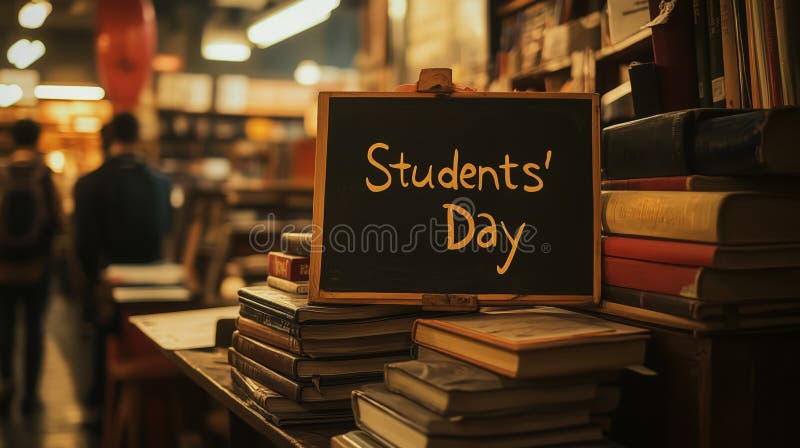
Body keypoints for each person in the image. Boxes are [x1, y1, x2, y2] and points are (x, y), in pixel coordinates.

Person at [73, 112, 172, 407]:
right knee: (144, 349)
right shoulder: (161, 183)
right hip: (153, 286)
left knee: (106, 351)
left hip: (107, 282)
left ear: (110, 137)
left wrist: (93, 279)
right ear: (138, 137)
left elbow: (83, 244)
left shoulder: (88, 183)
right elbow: (166, 230)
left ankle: (102, 408)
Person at [0, 119, 62, 416]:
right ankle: (31, 395)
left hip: (3, 268)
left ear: (12, 139)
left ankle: (6, 382)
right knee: (35, 328)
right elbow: (58, 221)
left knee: (5, 326)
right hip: (38, 267)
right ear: (37, 140)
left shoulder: (2, 172)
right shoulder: (44, 174)